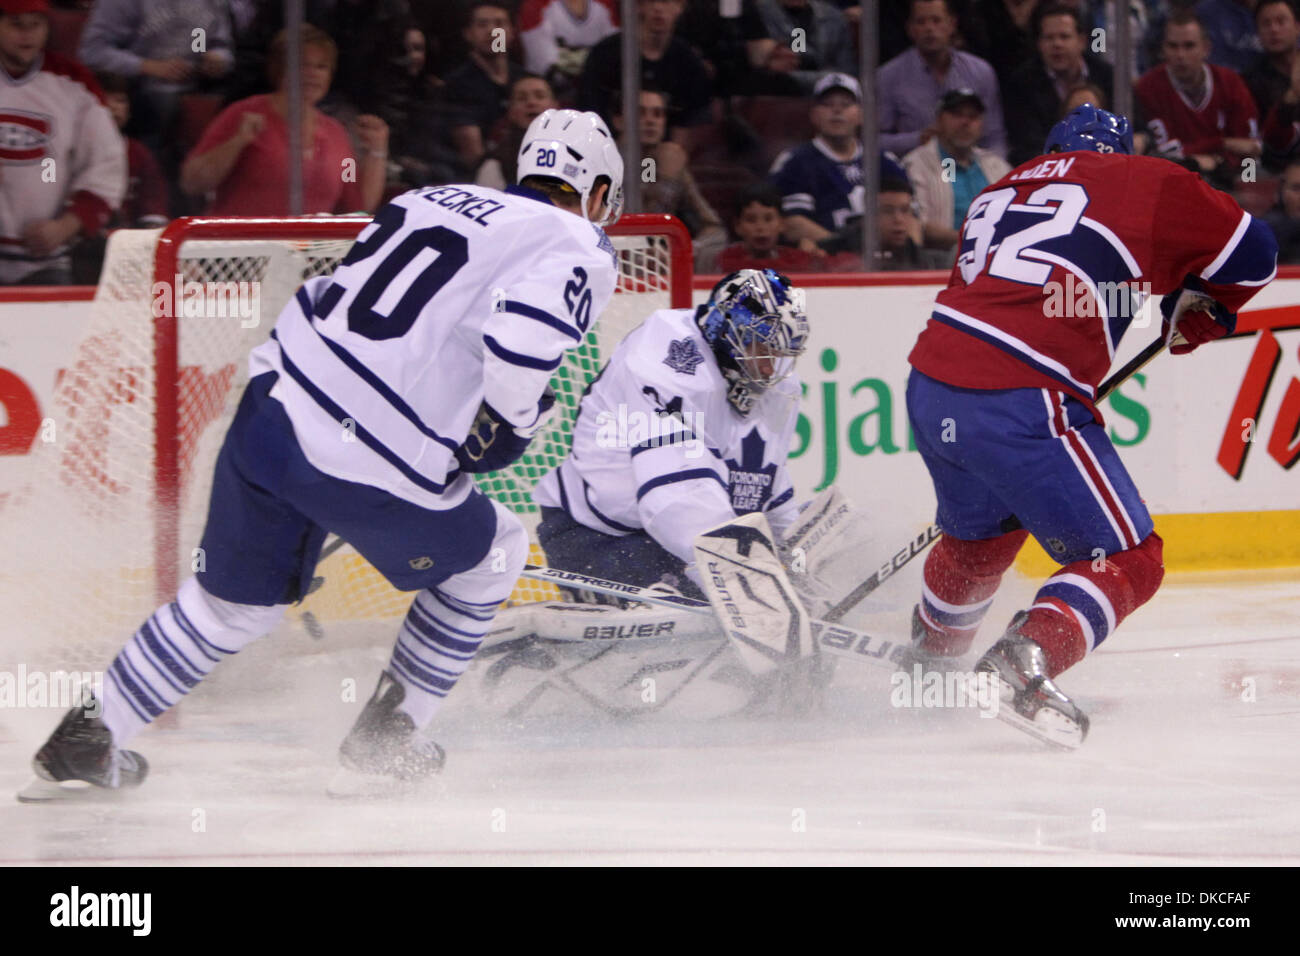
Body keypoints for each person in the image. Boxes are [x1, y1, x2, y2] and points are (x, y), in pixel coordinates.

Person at [21, 108, 626, 798]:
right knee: (494, 554)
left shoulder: (426, 197)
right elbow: (522, 346)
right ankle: (386, 739)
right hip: (368, 452)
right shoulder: (576, 238)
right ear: (598, 192)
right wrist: (510, 427)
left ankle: (89, 734)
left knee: (230, 608)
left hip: (272, 407)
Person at [903, 105, 1278, 746]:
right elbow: (1257, 253)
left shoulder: (999, 189)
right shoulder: (1145, 177)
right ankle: (1026, 659)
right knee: (1128, 557)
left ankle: (926, 668)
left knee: (981, 541)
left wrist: (1183, 299)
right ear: (1118, 152)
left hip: (931, 383)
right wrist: (1206, 305)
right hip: (1021, 394)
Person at [534, 269, 808, 601]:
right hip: (599, 537)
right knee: (690, 634)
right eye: (761, 348)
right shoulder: (668, 360)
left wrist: (794, 557)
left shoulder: (774, 387)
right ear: (727, 331)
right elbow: (676, 495)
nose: (770, 368)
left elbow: (762, 482)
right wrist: (746, 581)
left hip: (681, 540)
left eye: (781, 354)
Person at [178, 25, 388, 216]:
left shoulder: (337, 135)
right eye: (303, 65)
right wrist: (237, 142)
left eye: (321, 67)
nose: (313, 74)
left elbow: (357, 206)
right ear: (280, 69)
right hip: (240, 250)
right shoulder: (243, 113)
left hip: (308, 253)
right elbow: (192, 182)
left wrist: (377, 152)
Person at [0, 0, 125, 286]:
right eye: (16, 24)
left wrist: (67, 226)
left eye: (36, 25)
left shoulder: (75, 84)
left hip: (43, 262)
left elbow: (107, 164)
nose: (27, 35)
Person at [768, 72, 912, 251]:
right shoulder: (795, 163)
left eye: (846, 104)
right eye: (828, 104)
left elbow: (912, 218)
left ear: (861, 114)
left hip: (885, 260)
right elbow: (792, 223)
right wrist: (847, 251)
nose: (837, 111)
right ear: (813, 114)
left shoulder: (885, 162)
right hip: (825, 263)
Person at [1136, 12, 1261, 181]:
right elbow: (1162, 154)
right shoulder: (1148, 88)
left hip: (1230, 180)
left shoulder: (1230, 82)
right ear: (1163, 49)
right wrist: (1223, 143)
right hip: (1172, 181)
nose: (1180, 55)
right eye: (1173, 46)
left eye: (1189, 46)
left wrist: (1220, 162)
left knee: (1255, 178)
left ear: (1206, 48)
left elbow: (1250, 148)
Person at [612, 87, 727, 270]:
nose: (650, 121)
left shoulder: (656, 160)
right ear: (619, 121)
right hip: (615, 257)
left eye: (658, 114)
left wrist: (684, 250)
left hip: (660, 262)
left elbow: (713, 227)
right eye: (641, 113)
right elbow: (640, 227)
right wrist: (667, 182)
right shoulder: (606, 162)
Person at [878, 0, 1007, 160]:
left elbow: (994, 136)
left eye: (936, 20)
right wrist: (917, 139)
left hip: (971, 168)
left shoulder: (981, 71)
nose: (929, 29)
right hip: (914, 170)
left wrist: (994, 172)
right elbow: (873, 142)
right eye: (921, 22)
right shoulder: (888, 76)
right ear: (910, 29)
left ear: (952, 24)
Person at [577, 0, 713, 149]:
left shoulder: (688, 63)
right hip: (610, 150)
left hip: (662, 156)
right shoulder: (604, 54)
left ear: (680, 7)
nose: (658, 7)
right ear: (638, 6)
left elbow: (687, 128)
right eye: (650, 1)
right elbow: (589, 117)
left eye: (667, 2)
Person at [901, 89, 1012, 253]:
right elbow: (919, 225)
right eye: (957, 115)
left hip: (997, 254)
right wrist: (973, 239)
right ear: (939, 120)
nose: (965, 122)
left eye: (972, 116)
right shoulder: (917, 165)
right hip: (943, 257)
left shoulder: (996, 166)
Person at [1003, 4, 1114, 165]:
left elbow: (1140, 130)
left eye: (1064, 36)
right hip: (1048, 170)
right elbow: (1025, 146)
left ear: (1081, 41)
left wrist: (1140, 139)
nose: (1057, 44)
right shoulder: (1022, 83)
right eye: (1049, 38)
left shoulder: (1106, 75)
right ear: (1039, 44)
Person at [443, 3, 527, 174]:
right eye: (482, 24)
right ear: (468, 34)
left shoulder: (526, 79)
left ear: (512, 31)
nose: (492, 32)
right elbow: (473, 156)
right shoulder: (457, 85)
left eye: (499, 24)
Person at [518, 0, 619, 104]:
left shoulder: (606, 4)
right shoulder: (536, 4)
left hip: (600, 94)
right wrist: (592, 60)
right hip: (555, 95)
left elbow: (614, 55)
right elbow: (544, 63)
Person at [475, 74, 558, 189]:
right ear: (511, 111)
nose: (531, 103)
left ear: (555, 105)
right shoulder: (497, 164)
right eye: (521, 98)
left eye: (540, 96)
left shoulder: (581, 151)